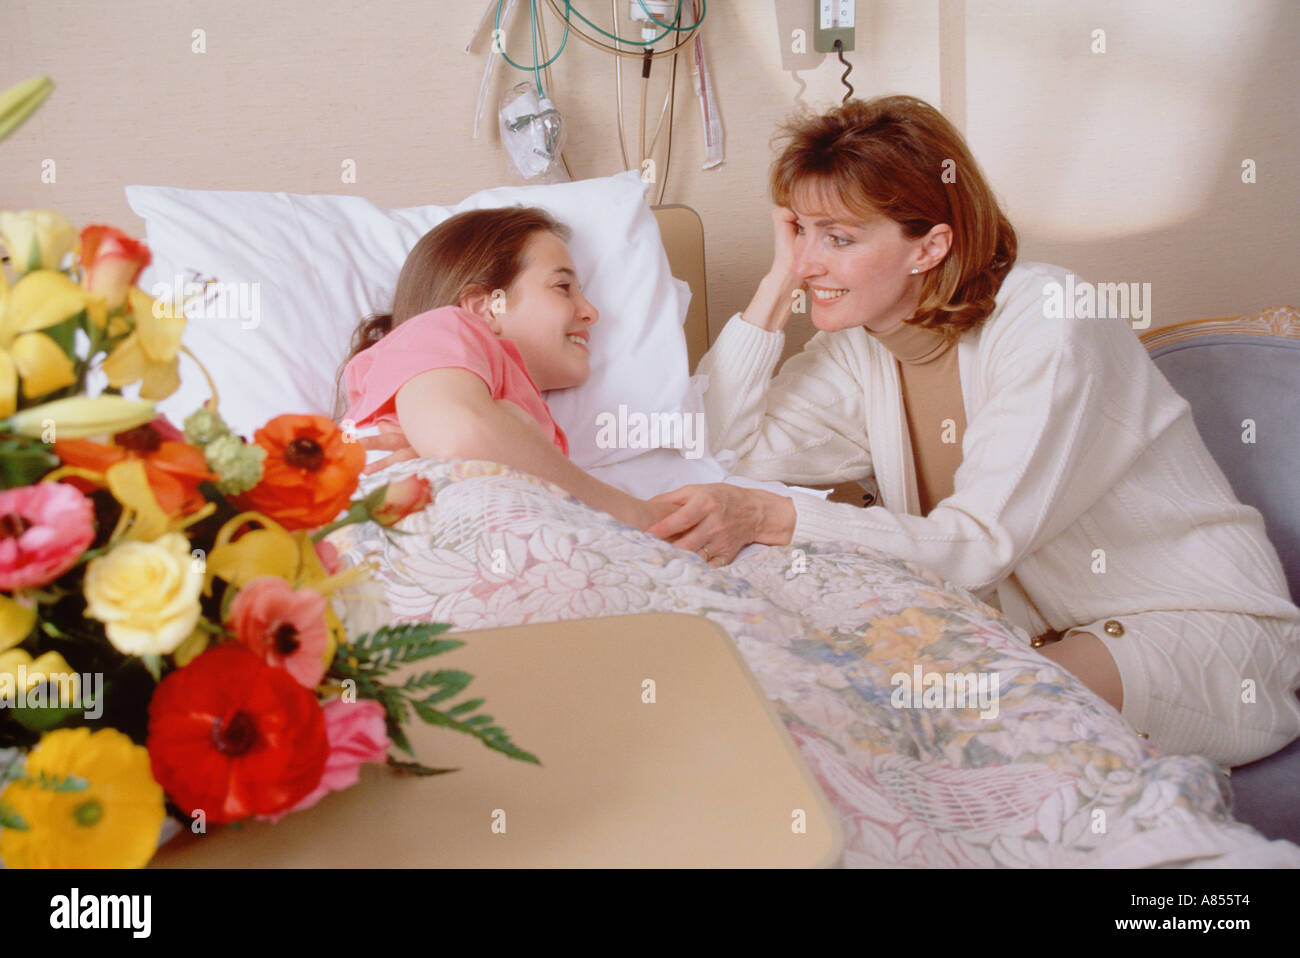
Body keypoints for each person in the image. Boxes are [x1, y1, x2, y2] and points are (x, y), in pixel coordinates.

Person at [644, 95, 1300, 769]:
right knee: (858, 718)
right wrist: (777, 286)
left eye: (838, 238)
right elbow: (719, 451)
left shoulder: (1048, 321)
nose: (811, 260)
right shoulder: (863, 348)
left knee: (942, 735)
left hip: (1195, 632)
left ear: (930, 245)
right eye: (800, 231)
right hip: (1036, 634)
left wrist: (773, 518)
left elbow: (978, 545)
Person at [340, 207, 674, 533]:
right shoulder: (441, 327)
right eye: (562, 287)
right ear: (485, 307)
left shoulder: (534, 422)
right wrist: (639, 515)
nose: (590, 312)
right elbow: (461, 436)